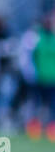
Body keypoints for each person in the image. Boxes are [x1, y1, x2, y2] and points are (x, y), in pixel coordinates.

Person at [28, 12, 55, 140]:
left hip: (52, 78)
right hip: (38, 77)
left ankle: (52, 130)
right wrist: (31, 73)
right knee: (36, 104)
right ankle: (34, 130)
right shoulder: (36, 37)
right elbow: (30, 58)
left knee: (52, 106)